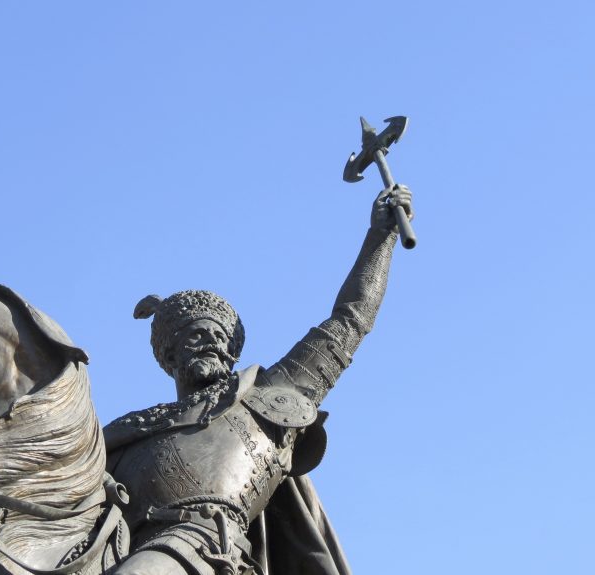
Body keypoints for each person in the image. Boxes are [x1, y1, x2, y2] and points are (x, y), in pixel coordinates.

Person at [104, 185, 413, 575]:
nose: (212, 345)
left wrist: (379, 237)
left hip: (206, 547)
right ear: (169, 352)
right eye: (197, 335)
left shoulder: (267, 396)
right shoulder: (132, 432)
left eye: (221, 338)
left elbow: (350, 320)